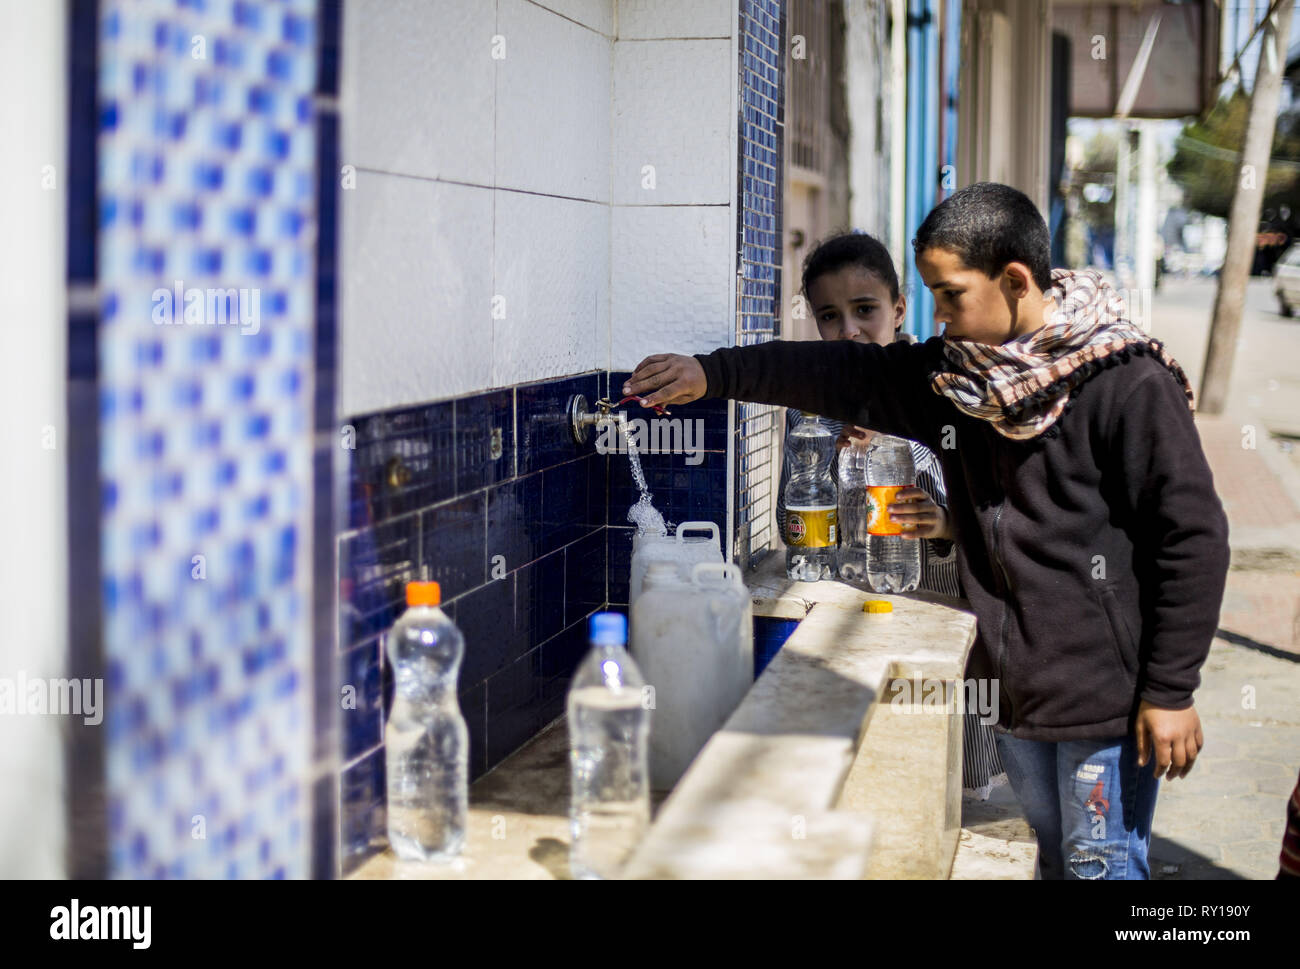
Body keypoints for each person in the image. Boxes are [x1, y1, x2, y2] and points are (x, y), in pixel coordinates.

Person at [622, 182, 1230, 880]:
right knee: (1062, 863)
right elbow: (840, 372)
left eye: (950, 295)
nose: (938, 318)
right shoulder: (963, 377)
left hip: (1107, 698)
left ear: (1015, 280)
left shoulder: (1126, 382)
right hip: (1016, 694)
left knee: (1104, 867)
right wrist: (712, 373)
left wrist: (1171, 691)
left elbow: (1193, 537)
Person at [775, 231, 1005, 800]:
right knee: (870, 772)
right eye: (830, 316)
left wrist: (942, 517)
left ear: (899, 310)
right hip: (848, 623)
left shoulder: (944, 390)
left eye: (864, 310)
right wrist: (829, 465)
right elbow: (794, 518)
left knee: (950, 775)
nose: (848, 330)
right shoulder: (813, 412)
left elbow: (991, 505)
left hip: (941, 614)